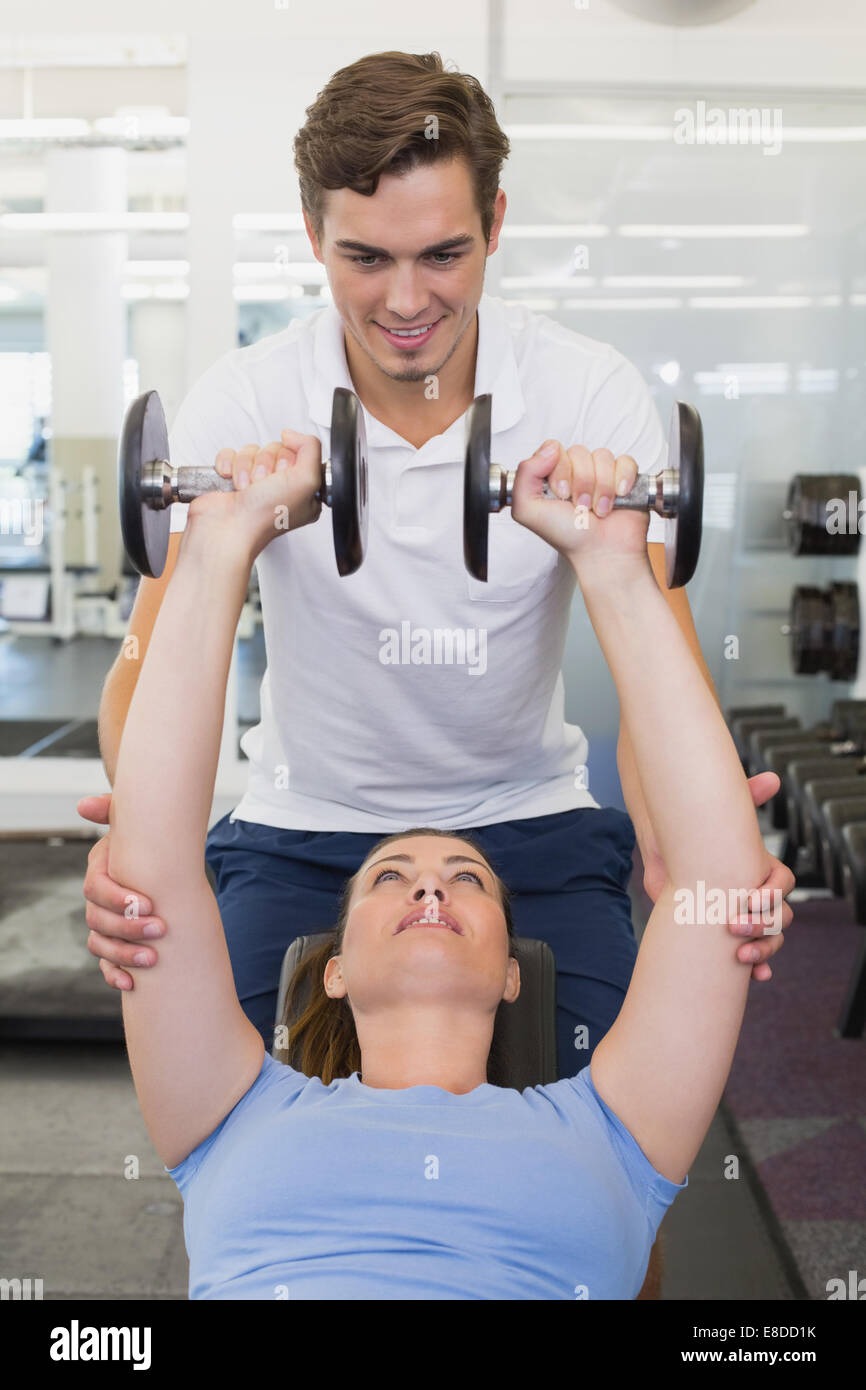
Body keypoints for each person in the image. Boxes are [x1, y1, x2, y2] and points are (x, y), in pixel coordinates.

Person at [79, 49, 793, 1295]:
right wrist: (141, 841)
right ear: (314, 235)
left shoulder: (586, 393)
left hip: (526, 817)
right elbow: (148, 661)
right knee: (246, 1140)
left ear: (494, 225)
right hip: (304, 821)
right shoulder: (243, 402)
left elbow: (654, 662)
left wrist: (687, 860)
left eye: (442, 255)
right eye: (365, 258)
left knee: (625, 1169)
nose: (406, 298)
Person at [108, 409, 778, 1301]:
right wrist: (223, 544)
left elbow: (718, 887)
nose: (431, 880)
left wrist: (614, 568)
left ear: (513, 968)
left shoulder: (615, 1127)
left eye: (468, 877)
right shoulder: (231, 1109)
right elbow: (153, 863)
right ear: (333, 967)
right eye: (392, 876)